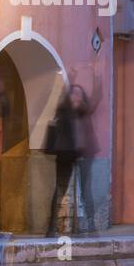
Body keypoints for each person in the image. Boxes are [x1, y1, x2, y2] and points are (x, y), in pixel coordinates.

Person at [45, 73, 99, 235]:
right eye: (72, 93)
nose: (75, 96)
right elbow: (61, 98)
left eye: (78, 94)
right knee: (60, 190)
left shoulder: (85, 112)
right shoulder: (63, 111)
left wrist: (97, 86)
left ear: (82, 98)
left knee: (85, 190)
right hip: (65, 154)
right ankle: (51, 228)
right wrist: (71, 81)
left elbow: (95, 101)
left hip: (83, 154)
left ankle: (91, 225)